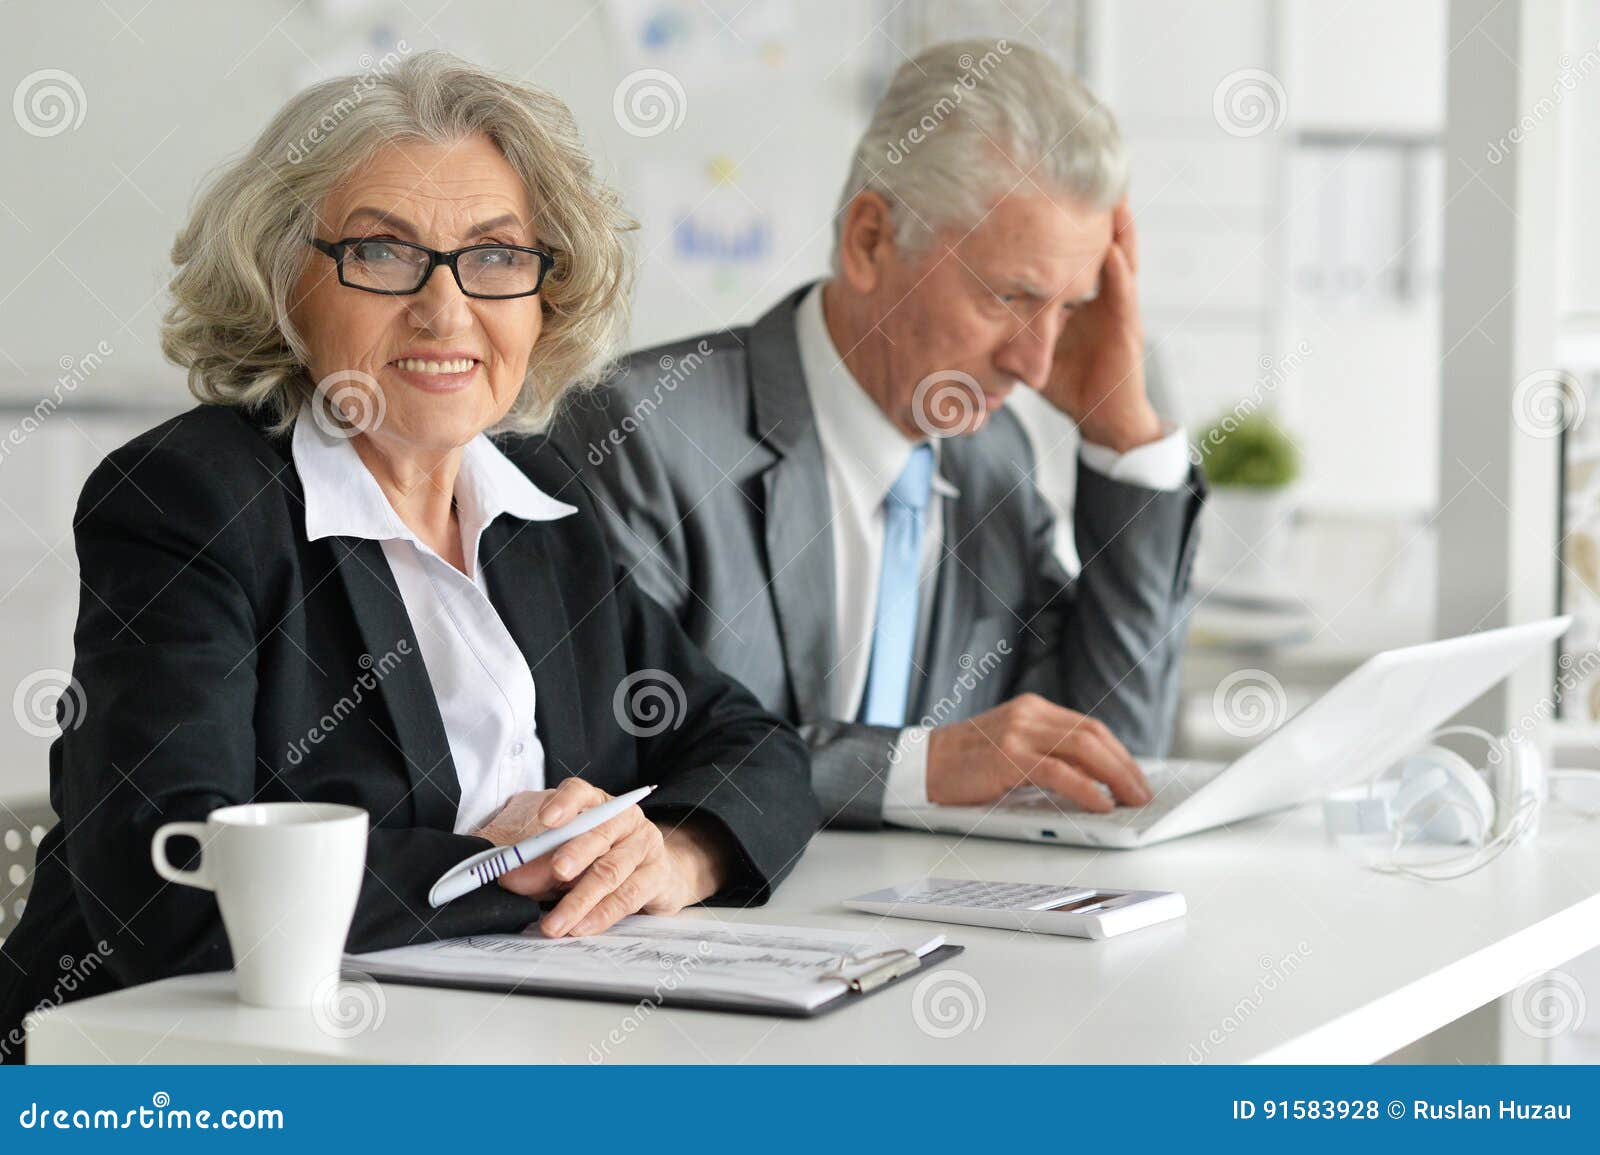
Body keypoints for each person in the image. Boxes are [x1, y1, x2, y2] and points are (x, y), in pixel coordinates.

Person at [0, 51, 818, 1060]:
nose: (446, 310)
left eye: (495, 256)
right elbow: (168, 890)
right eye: (382, 253)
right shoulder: (189, 501)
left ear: (543, 294)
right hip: (165, 1069)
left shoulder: (540, 501)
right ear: (282, 280)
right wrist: (488, 866)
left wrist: (679, 853)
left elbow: (750, 741)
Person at [546, 40, 1204, 830]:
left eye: (1067, 309)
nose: (1035, 363)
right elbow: (621, 763)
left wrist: (1124, 439)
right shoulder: (644, 431)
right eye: (1009, 296)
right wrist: (917, 768)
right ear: (869, 241)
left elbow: (1107, 766)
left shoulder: (995, 460)